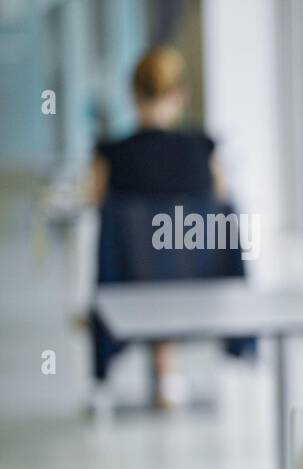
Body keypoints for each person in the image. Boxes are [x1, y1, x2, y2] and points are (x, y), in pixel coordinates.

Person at [89, 44, 231, 410]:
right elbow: (222, 202)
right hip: (198, 283)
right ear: (180, 95)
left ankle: (161, 374)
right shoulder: (202, 148)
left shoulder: (111, 154)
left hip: (132, 286)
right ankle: (170, 375)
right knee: (175, 245)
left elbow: (94, 202)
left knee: (135, 247)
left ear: (133, 94)